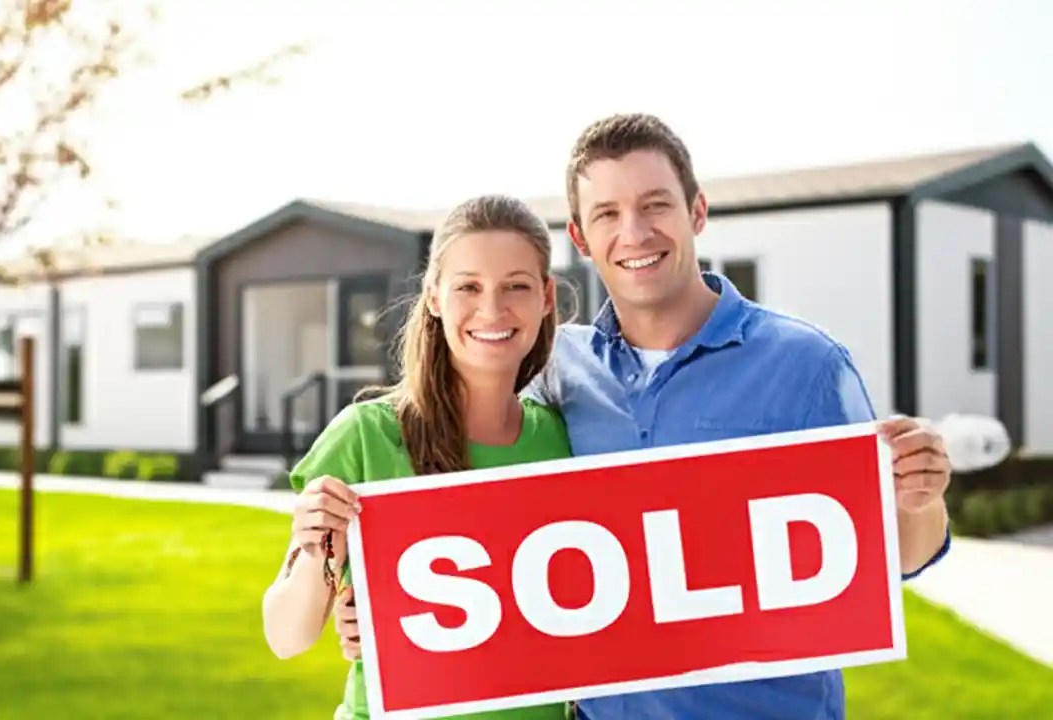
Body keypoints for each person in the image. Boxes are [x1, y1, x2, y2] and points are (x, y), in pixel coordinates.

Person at [331, 113, 953, 720]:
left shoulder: (806, 364)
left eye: (655, 205)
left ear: (697, 212)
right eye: (607, 213)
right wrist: (387, 605)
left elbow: (894, 558)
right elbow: (485, 512)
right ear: (581, 238)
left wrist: (919, 499)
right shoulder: (554, 370)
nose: (634, 233)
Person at [261, 194, 577, 719]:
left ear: (546, 297)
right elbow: (286, 638)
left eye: (516, 286)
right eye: (468, 287)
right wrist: (315, 553)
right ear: (433, 297)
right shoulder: (368, 436)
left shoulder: (562, 440)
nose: (492, 309)